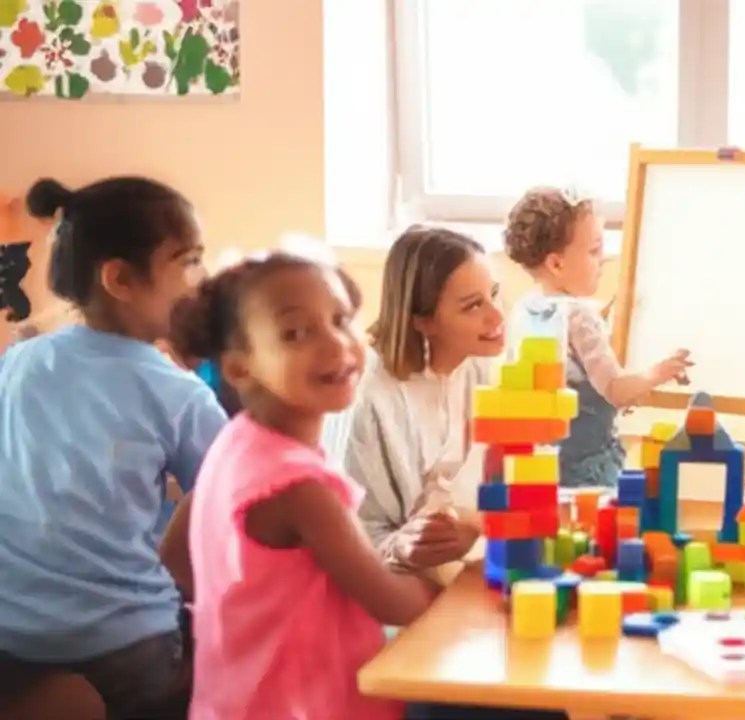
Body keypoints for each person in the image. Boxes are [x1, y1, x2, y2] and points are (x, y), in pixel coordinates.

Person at [168, 251, 437, 719]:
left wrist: (250, 615)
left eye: (341, 319)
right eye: (296, 333)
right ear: (239, 367)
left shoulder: (236, 443)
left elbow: (175, 555)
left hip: (234, 700)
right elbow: (392, 601)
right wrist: (450, 588)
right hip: (308, 706)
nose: (335, 345)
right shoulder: (300, 486)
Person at [0, 176, 226, 718]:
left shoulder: (18, 361)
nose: (203, 279)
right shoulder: (177, 392)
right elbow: (239, 492)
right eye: (189, 261)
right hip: (125, 644)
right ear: (121, 278)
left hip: (14, 636)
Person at [322, 227, 502, 579]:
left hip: (467, 574)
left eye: (493, 294)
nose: (497, 317)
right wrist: (406, 548)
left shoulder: (482, 369)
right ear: (424, 321)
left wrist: (475, 525)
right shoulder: (369, 398)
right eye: (474, 305)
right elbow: (351, 536)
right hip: (388, 591)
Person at [503, 186, 693, 488]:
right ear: (556, 264)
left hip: (539, 468)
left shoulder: (525, 309)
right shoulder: (580, 316)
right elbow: (616, 390)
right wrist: (656, 374)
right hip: (587, 472)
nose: (603, 259)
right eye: (594, 250)